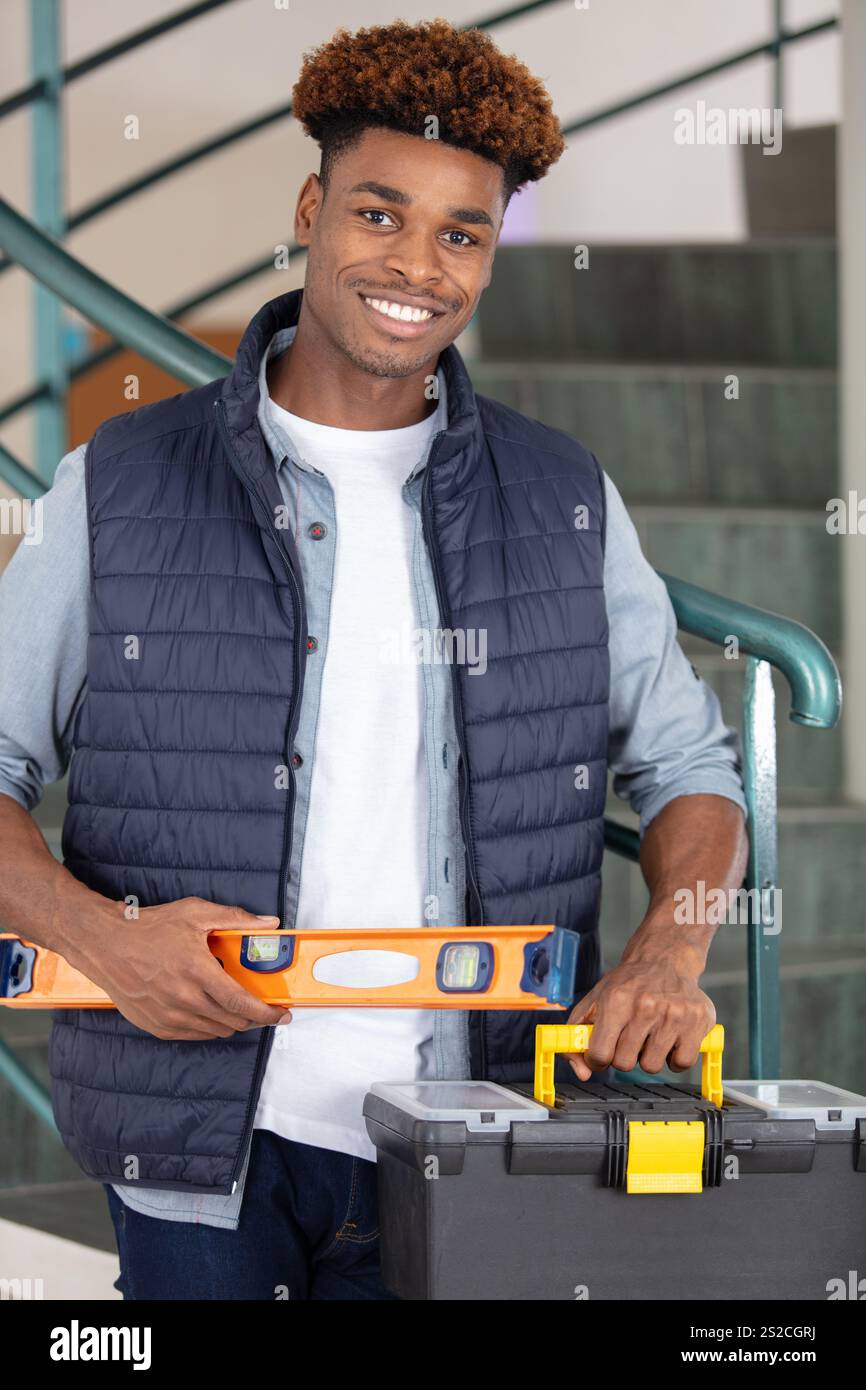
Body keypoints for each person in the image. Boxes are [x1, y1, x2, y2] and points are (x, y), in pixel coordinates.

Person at [0, 18, 747, 1300]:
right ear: (311, 207)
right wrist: (104, 938)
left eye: (460, 232)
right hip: (195, 1155)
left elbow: (691, 767)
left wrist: (666, 952)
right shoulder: (114, 482)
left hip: (472, 1144)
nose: (416, 263)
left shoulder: (562, 494)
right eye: (380, 213)